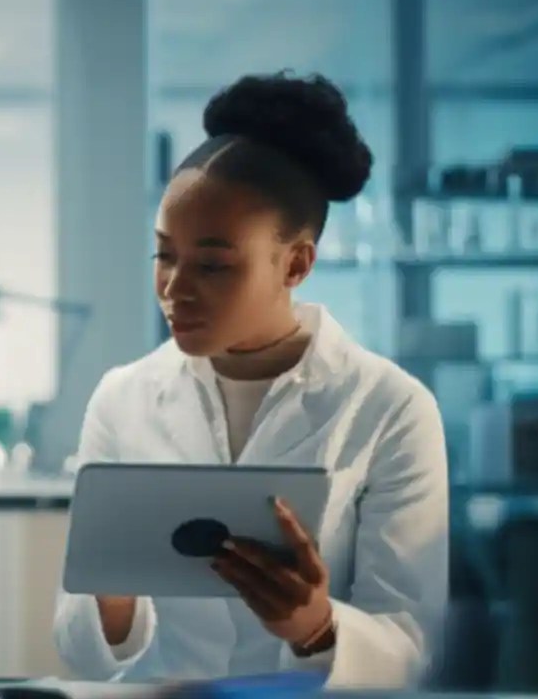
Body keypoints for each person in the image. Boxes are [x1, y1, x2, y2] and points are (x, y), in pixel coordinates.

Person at [53, 72, 449, 689]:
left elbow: (412, 648)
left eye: (212, 264)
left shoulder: (390, 407)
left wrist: (314, 626)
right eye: (164, 254)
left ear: (295, 263)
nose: (174, 288)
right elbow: (84, 652)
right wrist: (110, 591)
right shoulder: (123, 397)